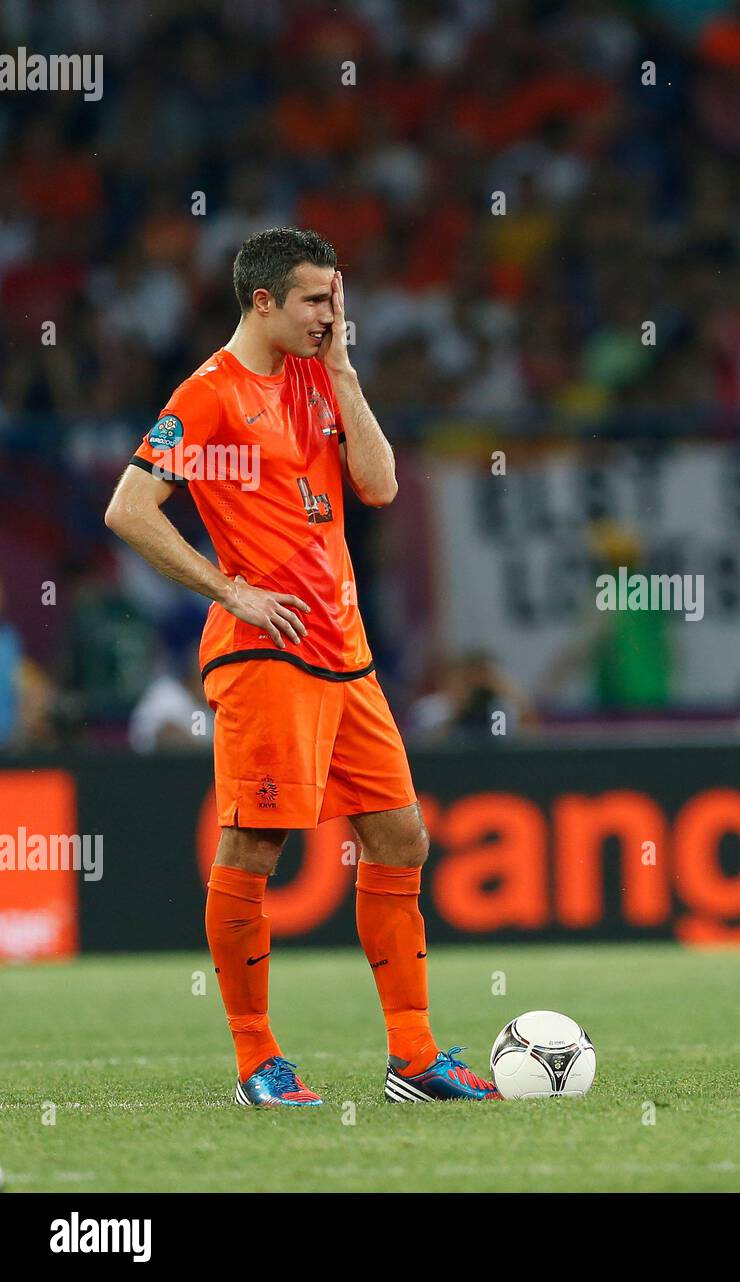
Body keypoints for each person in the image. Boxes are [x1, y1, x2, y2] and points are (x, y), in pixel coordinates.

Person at [105, 227, 498, 1106]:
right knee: (255, 844)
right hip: (265, 651)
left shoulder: (324, 376)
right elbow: (130, 508)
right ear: (264, 301)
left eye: (338, 298)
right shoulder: (208, 397)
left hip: (345, 655)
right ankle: (257, 1062)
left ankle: (415, 1056)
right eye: (319, 300)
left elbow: (382, 486)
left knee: (401, 839)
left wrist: (349, 376)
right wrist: (229, 590)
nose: (334, 315)